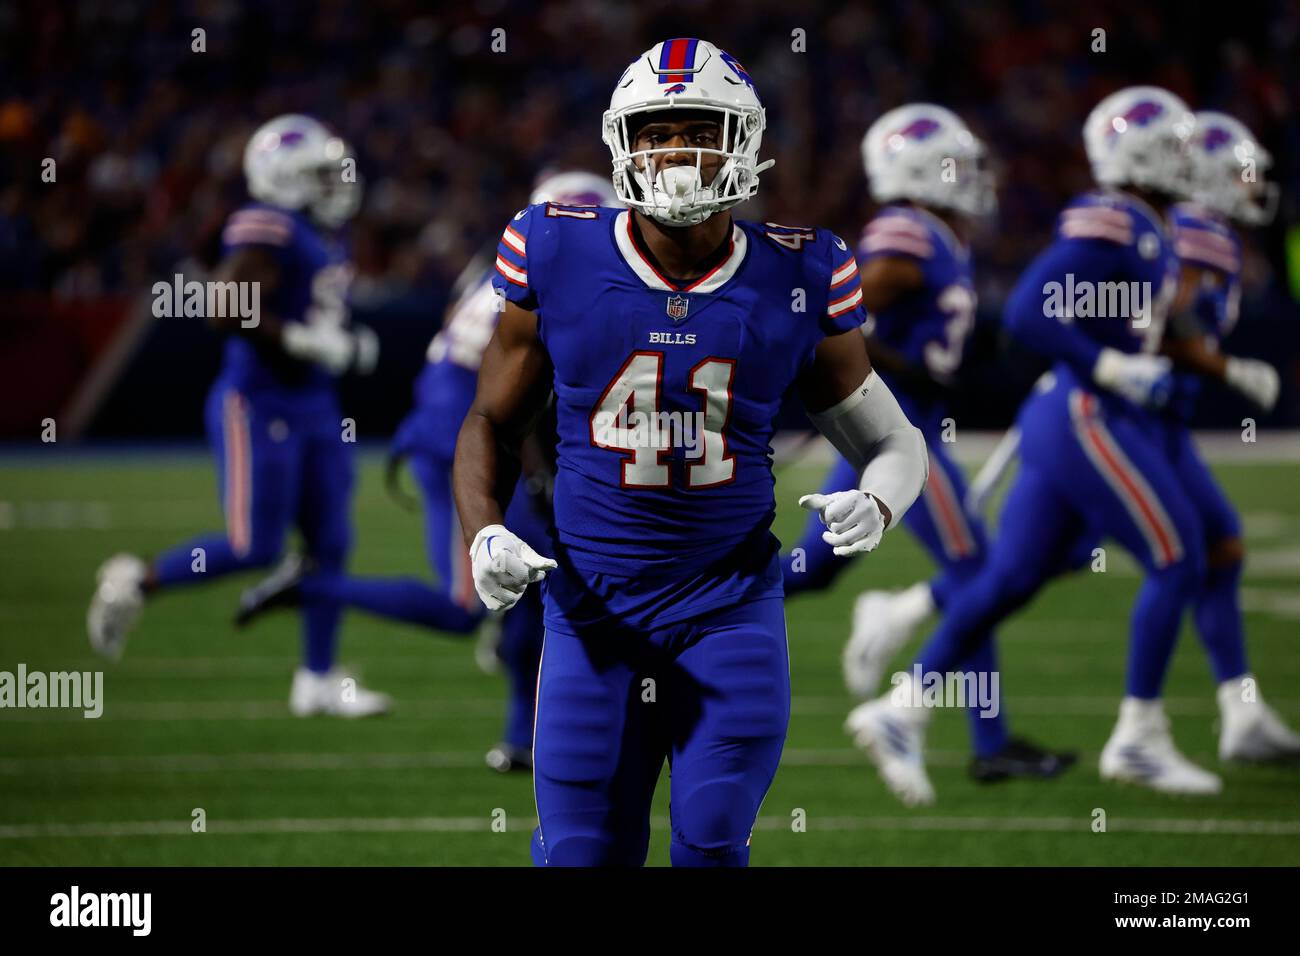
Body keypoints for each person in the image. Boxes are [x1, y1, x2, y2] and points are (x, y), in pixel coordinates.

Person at [453, 38, 928, 865]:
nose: (677, 150)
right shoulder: (556, 249)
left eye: (699, 127)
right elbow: (489, 422)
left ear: (743, 138)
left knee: (710, 848)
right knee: (582, 854)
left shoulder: (802, 269)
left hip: (729, 611)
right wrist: (484, 531)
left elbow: (892, 438)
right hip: (589, 611)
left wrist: (880, 498)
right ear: (621, 144)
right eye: (657, 130)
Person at [847, 87, 1224, 802]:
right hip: (1084, 414)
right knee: (1180, 556)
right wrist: (1115, 366)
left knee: (1019, 573)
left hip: (1076, 416)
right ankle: (1139, 737)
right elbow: (1029, 310)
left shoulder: (1148, 226)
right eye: (1173, 147)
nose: (1186, 163)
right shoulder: (1116, 220)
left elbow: (1120, 314)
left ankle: (904, 703)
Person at [238, 171, 620, 769]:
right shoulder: (561, 277)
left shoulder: (514, 261)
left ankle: (523, 735)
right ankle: (310, 585)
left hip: (466, 423)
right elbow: (513, 391)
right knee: (468, 606)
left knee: (543, 574)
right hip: (462, 437)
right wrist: (542, 470)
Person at [780, 103, 1073, 783]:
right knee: (980, 571)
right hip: (895, 428)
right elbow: (835, 311)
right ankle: (988, 743)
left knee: (811, 570)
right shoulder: (908, 233)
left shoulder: (938, 234)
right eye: (955, 165)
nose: (970, 177)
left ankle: (681, 610)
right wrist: (877, 367)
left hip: (900, 421)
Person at [87, 115, 389, 717]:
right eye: (317, 174)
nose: (334, 184)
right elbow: (224, 305)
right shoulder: (269, 223)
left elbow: (216, 256)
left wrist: (337, 342)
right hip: (258, 402)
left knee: (331, 539)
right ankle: (137, 581)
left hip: (314, 404)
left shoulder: (309, 230)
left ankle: (317, 679)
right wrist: (300, 339)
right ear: (280, 178)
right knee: (255, 546)